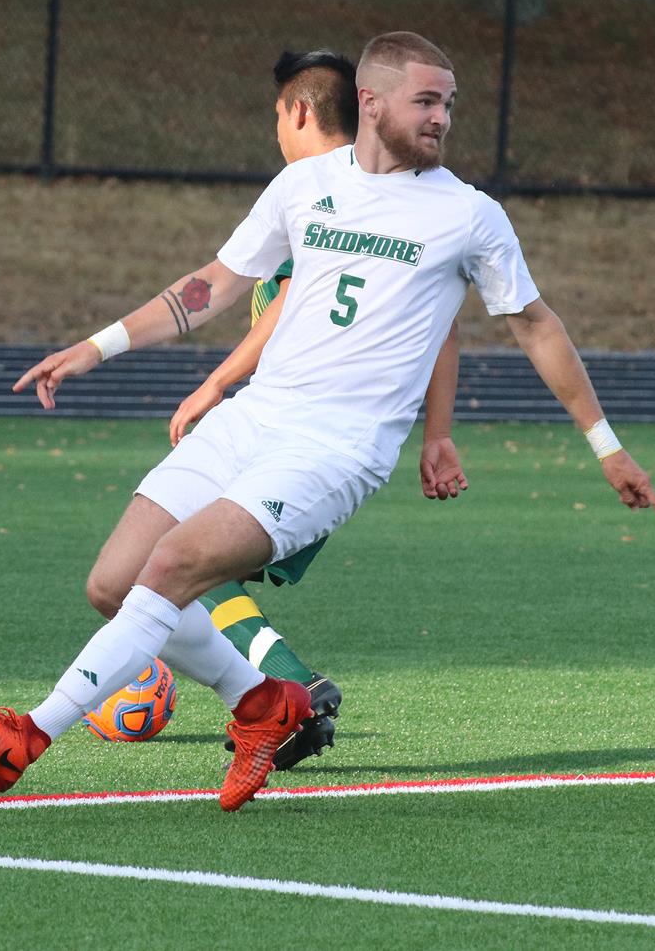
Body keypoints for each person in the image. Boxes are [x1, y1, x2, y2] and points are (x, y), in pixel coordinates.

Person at [0, 31, 655, 812]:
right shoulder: (304, 185)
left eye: (448, 104)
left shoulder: (469, 215)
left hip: (337, 447)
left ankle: (28, 736)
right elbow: (217, 283)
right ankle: (264, 706)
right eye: (427, 101)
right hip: (255, 417)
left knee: (170, 567)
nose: (442, 119)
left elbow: (534, 323)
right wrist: (98, 346)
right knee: (112, 582)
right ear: (371, 101)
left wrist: (606, 446)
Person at [170, 48, 470, 773]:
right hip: (318, 438)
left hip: (314, 440)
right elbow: (446, 321)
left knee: (175, 561)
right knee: (193, 566)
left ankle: (289, 692)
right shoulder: (381, 190)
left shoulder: (337, 192)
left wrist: (215, 385)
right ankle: (283, 691)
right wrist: (439, 433)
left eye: (277, 113)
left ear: (299, 111)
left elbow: (289, 305)